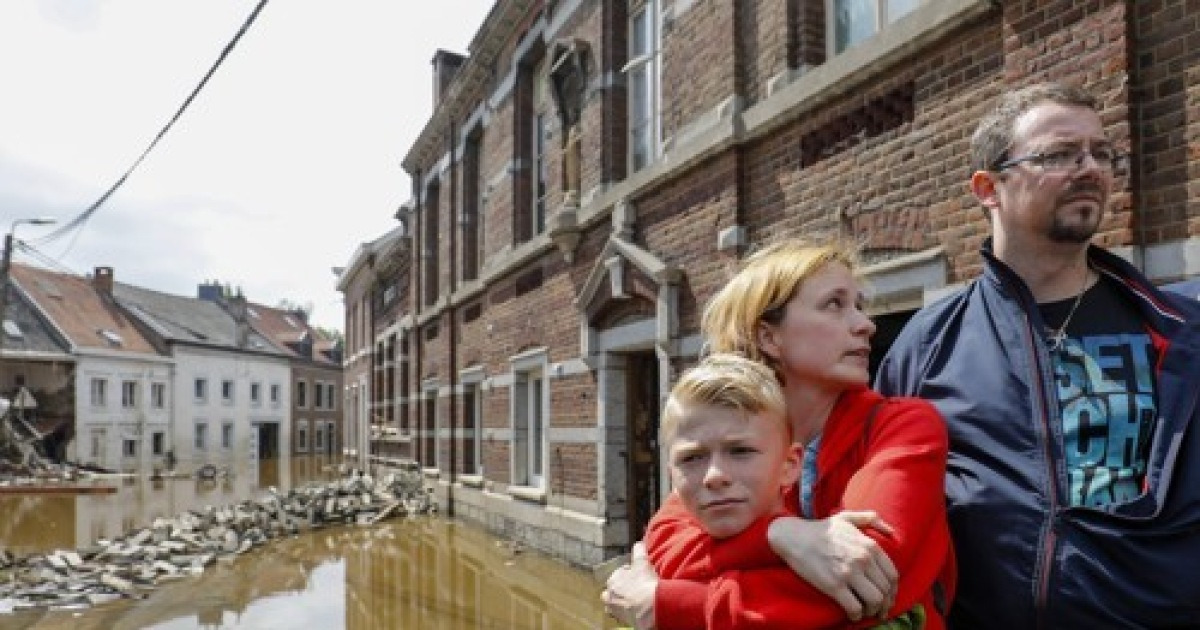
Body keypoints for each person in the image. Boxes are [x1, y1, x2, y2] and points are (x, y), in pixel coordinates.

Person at [875, 82, 1200, 627]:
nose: (1090, 167)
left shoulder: (1178, 330)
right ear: (988, 188)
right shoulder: (928, 346)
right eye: (1058, 154)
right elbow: (871, 486)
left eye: (1101, 152)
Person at [603, 239, 955, 630]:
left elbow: (866, 579)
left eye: (859, 306)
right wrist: (781, 535)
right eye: (835, 304)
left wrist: (667, 604)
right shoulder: (726, 436)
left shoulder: (903, 427)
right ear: (769, 337)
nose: (866, 324)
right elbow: (666, 545)